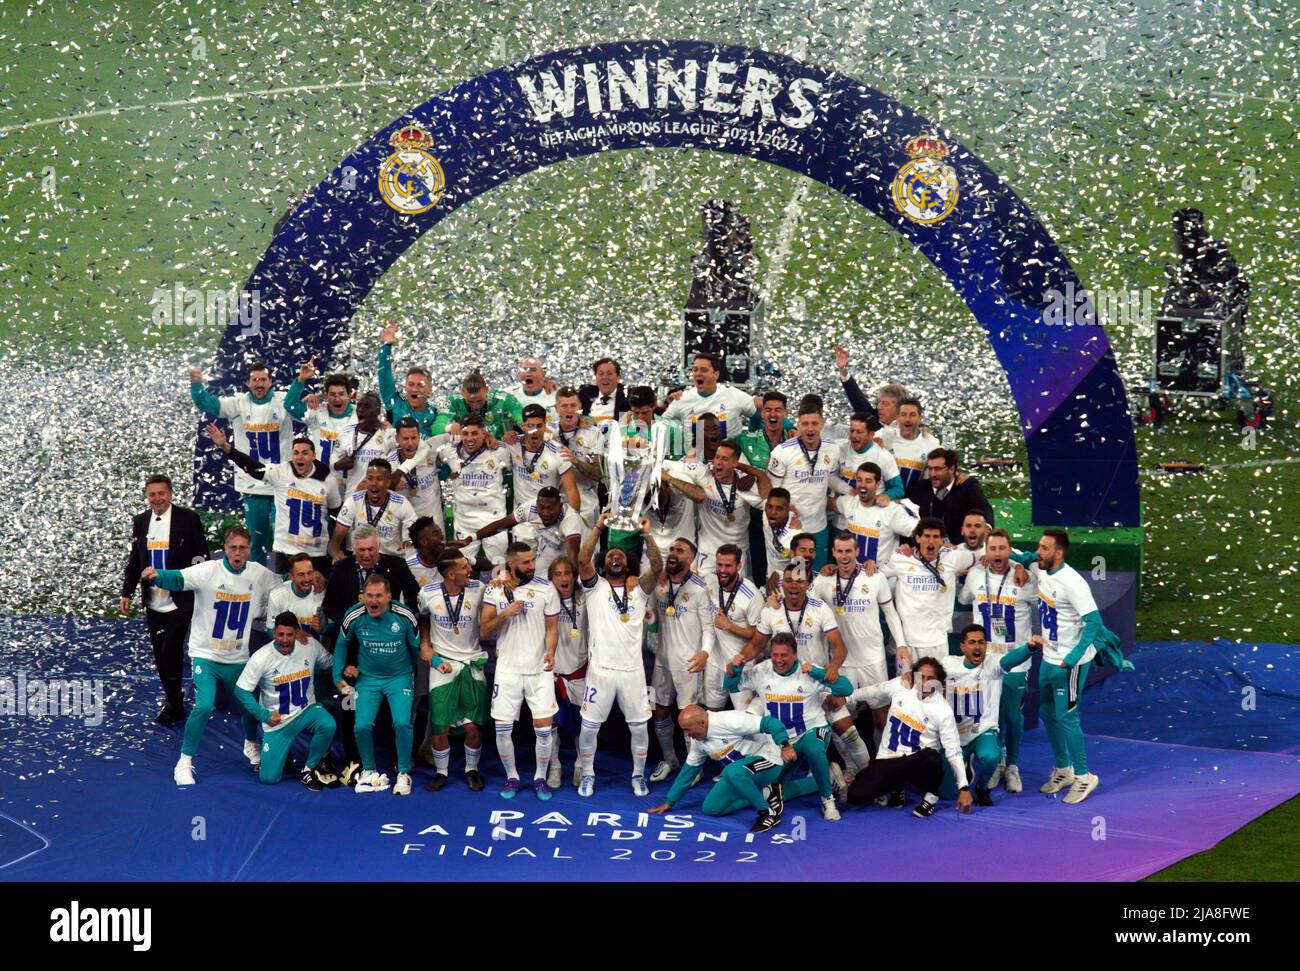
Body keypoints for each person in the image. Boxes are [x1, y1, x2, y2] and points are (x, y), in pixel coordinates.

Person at [142, 526, 282, 786]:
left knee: (250, 704)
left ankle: (250, 743)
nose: (237, 552)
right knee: (204, 705)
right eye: (233, 547)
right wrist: (156, 575)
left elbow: (282, 585)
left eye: (242, 548)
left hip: (238, 658)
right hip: (205, 655)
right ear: (225, 548)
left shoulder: (259, 574)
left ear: (249, 550)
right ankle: (184, 762)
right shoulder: (209, 570)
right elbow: (178, 578)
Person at [736, 562, 873, 785]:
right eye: (788, 581)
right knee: (751, 726)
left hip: (816, 683)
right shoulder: (771, 610)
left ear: (807, 583)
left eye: (799, 581)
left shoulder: (819, 608)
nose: (794, 586)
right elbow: (755, 646)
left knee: (848, 731)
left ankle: (868, 778)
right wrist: (739, 660)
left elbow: (840, 647)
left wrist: (831, 672)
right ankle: (752, 775)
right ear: (782, 584)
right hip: (781, 686)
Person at [1009, 529, 1115, 804]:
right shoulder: (1041, 568)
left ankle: (1084, 776)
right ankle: (1063, 768)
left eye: (1045, 548)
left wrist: (1074, 655)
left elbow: (1094, 623)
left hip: (1071, 662)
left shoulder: (1073, 583)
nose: (1039, 552)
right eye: (1039, 547)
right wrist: (1009, 553)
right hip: (1049, 656)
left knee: (1068, 716)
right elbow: (1021, 554)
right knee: (1046, 711)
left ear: (1059, 553)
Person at [575, 513, 661, 797]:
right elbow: (582, 560)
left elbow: (657, 567)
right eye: (610, 556)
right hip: (600, 671)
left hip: (632, 672)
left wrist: (647, 535)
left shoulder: (640, 590)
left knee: (639, 729)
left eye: (621, 557)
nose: (615, 559)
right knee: (589, 728)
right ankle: (587, 774)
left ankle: (638, 775)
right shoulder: (594, 588)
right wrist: (599, 527)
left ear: (629, 563)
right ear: (604, 562)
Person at [724, 632, 854, 820]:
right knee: (774, 790)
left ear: (794, 654)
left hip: (812, 730)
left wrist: (818, 673)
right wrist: (733, 670)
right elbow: (731, 686)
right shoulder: (762, 671)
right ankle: (825, 779)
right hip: (780, 741)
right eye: (775, 655)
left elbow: (846, 689)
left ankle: (828, 801)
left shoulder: (809, 671)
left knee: (814, 749)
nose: (778, 660)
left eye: (784, 655)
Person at [121, 474, 210, 724]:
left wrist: (195, 583)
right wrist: (126, 591)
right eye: (152, 494)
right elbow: (136, 560)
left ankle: (174, 702)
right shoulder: (140, 522)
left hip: (180, 599)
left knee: (171, 648)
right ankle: (173, 699)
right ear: (147, 496)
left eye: (161, 493)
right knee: (160, 652)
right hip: (153, 600)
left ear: (170, 493)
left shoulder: (188, 519)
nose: (157, 498)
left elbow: (201, 555)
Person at [189, 360, 299, 563]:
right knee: (256, 543)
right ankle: (258, 588)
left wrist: (302, 386)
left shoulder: (284, 401)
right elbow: (208, 404)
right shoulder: (237, 404)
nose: (259, 384)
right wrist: (196, 385)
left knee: (285, 543)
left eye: (263, 380)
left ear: (271, 382)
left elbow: (301, 410)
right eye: (255, 380)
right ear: (248, 383)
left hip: (281, 485)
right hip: (252, 486)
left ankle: (286, 588)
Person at [844, 657, 973, 816]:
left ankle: (931, 797)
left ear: (938, 681)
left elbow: (953, 750)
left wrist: (964, 787)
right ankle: (896, 787)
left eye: (930, 678)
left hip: (916, 764)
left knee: (933, 757)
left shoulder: (943, 710)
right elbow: (873, 690)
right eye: (921, 676)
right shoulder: (901, 686)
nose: (924, 682)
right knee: (855, 796)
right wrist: (845, 698)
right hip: (888, 759)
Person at [959, 528, 1037, 792]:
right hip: (984, 662)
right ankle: (995, 764)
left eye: (1003, 548)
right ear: (985, 551)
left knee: (1012, 717)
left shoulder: (1025, 580)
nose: (997, 553)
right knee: (985, 715)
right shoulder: (975, 575)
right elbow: (963, 599)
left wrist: (1021, 563)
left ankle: (1012, 765)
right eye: (992, 548)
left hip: (1015, 662)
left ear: (1010, 550)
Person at [479, 542, 559, 800]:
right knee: (502, 727)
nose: (532, 566)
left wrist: (551, 652)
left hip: (539, 669)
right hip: (508, 669)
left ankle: (539, 778)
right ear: (510, 563)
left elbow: (552, 628)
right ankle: (512, 777)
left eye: (533, 560)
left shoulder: (547, 588)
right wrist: (505, 614)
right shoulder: (496, 589)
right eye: (526, 562)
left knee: (544, 726)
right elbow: (484, 631)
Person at [811, 533, 908, 740]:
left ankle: (882, 764)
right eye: (840, 551)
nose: (844, 556)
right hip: (841, 661)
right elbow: (803, 604)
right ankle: (853, 767)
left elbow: (890, 613)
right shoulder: (823, 580)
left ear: (857, 552)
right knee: (842, 718)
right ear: (834, 553)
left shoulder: (875, 577)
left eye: (849, 551)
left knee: (881, 719)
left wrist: (900, 645)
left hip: (872, 658)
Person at [335, 574, 425, 795]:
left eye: (378, 596)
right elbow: (341, 645)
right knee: (361, 726)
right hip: (368, 680)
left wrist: (437, 664)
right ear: (363, 596)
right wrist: (338, 677)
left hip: (400, 678)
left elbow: (419, 647)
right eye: (369, 596)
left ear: (389, 597)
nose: (373, 601)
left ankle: (403, 773)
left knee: (402, 723)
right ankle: (368, 771)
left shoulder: (404, 615)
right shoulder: (353, 615)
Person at [207, 423, 339, 574]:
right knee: (284, 594)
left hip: (316, 553)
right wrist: (225, 446)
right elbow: (252, 467)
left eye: (305, 453)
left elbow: (336, 514)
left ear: (313, 456)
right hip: (286, 551)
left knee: (318, 595)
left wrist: (334, 546)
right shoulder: (281, 472)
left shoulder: (327, 480)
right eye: (296, 453)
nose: (299, 457)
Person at [646, 705, 797, 833]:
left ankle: (768, 813)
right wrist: (669, 802)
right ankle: (766, 792)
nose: (686, 735)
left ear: (702, 723)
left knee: (730, 771)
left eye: (687, 729)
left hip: (768, 759)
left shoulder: (728, 720)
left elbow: (769, 722)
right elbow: (689, 770)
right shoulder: (698, 741)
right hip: (741, 775)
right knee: (711, 808)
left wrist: (784, 744)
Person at [234, 612, 338, 789]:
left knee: (328, 725)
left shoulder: (309, 645)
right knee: (268, 778)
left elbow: (330, 663)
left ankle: (309, 769)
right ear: (274, 633)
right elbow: (241, 690)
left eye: (289, 634)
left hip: (306, 711)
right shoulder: (261, 657)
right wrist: (264, 715)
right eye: (281, 634)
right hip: (279, 722)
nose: (284, 640)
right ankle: (284, 752)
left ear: (296, 633)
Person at [938, 625, 1039, 805]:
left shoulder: (993, 664)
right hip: (954, 734)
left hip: (981, 731)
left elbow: (1011, 660)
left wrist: (1029, 648)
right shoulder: (948, 664)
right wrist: (909, 676)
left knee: (990, 756)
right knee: (946, 794)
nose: (977, 647)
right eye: (972, 642)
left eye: (981, 643)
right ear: (962, 647)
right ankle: (964, 765)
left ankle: (982, 787)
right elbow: (926, 674)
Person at [418, 549, 489, 792]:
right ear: (450, 574)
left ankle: (471, 769)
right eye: (464, 567)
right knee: (440, 724)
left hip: (472, 662)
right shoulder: (427, 594)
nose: (469, 570)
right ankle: (441, 772)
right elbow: (423, 620)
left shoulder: (479, 588)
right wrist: (426, 645)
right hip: (443, 664)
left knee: (473, 725)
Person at [647, 538, 714, 783]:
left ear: (691, 558)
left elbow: (709, 627)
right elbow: (651, 614)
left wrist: (705, 652)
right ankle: (669, 758)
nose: (673, 553)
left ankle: (693, 766)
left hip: (689, 664)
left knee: (690, 718)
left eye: (680, 550)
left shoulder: (699, 587)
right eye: (672, 550)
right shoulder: (659, 583)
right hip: (661, 662)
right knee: (659, 711)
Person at [881, 517, 983, 664]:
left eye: (936, 537)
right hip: (909, 643)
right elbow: (876, 574)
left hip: (938, 642)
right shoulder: (900, 559)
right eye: (927, 536)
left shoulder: (953, 557)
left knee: (935, 686)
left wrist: (1016, 565)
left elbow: (985, 555)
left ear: (942, 540)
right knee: (908, 686)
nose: (931, 541)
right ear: (917, 538)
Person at [665, 439, 764, 576]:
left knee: (734, 594)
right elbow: (669, 465)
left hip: (736, 552)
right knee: (704, 593)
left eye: (724, 459)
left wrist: (757, 475)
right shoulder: (703, 474)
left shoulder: (745, 485)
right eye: (717, 457)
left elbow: (769, 502)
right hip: (707, 552)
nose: (718, 462)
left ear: (735, 463)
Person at [765, 395, 840, 570]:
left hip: (819, 527)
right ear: (798, 425)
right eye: (805, 424)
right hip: (789, 529)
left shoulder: (833, 449)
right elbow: (771, 491)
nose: (810, 428)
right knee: (792, 580)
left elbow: (831, 481)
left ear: (822, 425)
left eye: (815, 424)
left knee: (815, 579)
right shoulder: (782, 452)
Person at [433, 414, 512, 567]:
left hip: (494, 522)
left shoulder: (500, 450)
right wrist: (449, 428)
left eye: (475, 433)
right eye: (465, 433)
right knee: (460, 569)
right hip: (464, 522)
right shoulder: (449, 451)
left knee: (500, 569)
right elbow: (432, 435)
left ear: (484, 433)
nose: (470, 438)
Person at [543, 555, 589, 790]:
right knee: (551, 724)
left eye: (567, 573)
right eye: (558, 574)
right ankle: (555, 766)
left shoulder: (586, 599)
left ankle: (581, 764)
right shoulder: (544, 600)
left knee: (583, 724)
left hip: (580, 673)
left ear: (574, 576)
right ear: (551, 579)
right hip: (552, 673)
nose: (563, 578)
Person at [701, 544, 764, 712]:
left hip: (740, 665)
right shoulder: (710, 580)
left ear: (739, 566)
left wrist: (730, 626)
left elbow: (760, 636)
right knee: (712, 713)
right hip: (714, 662)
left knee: (745, 720)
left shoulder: (752, 595)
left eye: (728, 566)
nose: (722, 570)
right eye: (719, 564)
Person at [660, 352, 758, 453]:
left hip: (729, 462)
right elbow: (660, 425)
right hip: (694, 463)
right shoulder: (682, 399)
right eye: (695, 370)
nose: (698, 373)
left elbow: (758, 417)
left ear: (716, 375)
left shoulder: (734, 394)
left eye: (704, 370)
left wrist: (751, 444)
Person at [476, 486, 583, 575]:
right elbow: (502, 524)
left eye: (550, 508)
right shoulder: (529, 508)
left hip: (578, 552)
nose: (545, 513)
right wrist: (473, 537)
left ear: (560, 506)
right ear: (536, 504)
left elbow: (573, 557)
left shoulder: (571, 520)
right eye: (541, 507)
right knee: (537, 578)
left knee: (569, 579)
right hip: (552, 547)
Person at [329, 457, 417, 560]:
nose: (374, 483)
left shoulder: (401, 503)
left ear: (388, 483)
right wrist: (336, 555)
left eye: (379, 479)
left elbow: (414, 537)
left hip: (391, 561)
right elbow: (335, 541)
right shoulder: (353, 501)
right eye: (370, 478)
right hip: (362, 560)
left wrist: (408, 545)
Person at [832, 463, 917, 568]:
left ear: (877, 484)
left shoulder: (892, 510)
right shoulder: (850, 502)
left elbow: (921, 532)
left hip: (883, 577)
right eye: (859, 480)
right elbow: (830, 503)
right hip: (854, 577)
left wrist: (912, 553)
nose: (862, 485)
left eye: (868, 481)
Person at [831, 412, 903, 533]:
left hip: (868, 524)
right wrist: (847, 490)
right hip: (840, 522)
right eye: (852, 431)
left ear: (871, 435)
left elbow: (898, 488)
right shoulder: (839, 448)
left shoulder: (883, 456)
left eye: (859, 432)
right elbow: (828, 476)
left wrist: (886, 496)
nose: (853, 436)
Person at [905, 448, 994, 544]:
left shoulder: (967, 487)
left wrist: (987, 529)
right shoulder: (918, 489)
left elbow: (984, 509)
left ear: (952, 469)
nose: (932, 474)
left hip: (957, 549)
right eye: (930, 469)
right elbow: (905, 518)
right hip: (925, 549)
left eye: (938, 469)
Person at [551, 386, 606, 532]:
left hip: (586, 509)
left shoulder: (593, 433)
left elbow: (599, 474)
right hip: (554, 508)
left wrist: (575, 461)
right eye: (564, 406)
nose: (569, 410)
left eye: (573, 405)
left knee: (587, 554)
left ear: (580, 407)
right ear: (556, 408)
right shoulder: (548, 434)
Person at [508, 404, 580, 514]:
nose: (535, 431)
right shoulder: (513, 444)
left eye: (539, 425)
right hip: (521, 521)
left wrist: (574, 520)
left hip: (549, 520)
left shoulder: (559, 452)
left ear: (545, 426)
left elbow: (571, 490)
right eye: (530, 426)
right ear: (523, 426)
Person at [377, 319, 439, 436]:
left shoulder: (436, 416)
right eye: (410, 384)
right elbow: (384, 375)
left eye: (420, 385)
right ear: (405, 387)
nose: (414, 389)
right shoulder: (395, 405)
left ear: (430, 389)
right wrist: (385, 346)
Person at [290, 370, 354, 477]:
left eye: (341, 394)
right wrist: (301, 380)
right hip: (320, 483)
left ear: (350, 395)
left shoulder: (360, 415)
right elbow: (290, 406)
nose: (337, 399)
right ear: (326, 396)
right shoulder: (316, 411)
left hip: (349, 485)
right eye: (332, 394)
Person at [332, 391, 396, 498]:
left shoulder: (388, 433)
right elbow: (334, 456)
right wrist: (337, 465)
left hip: (380, 498)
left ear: (377, 410)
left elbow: (397, 461)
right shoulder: (346, 432)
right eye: (359, 406)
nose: (361, 410)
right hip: (352, 497)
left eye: (366, 406)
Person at [389, 417, 450, 524]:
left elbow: (460, 437)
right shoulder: (390, 462)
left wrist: (487, 435)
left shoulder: (431, 450)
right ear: (397, 439)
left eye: (414, 438)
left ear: (419, 437)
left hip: (434, 520)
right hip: (406, 522)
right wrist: (391, 487)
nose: (410, 443)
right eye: (405, 438)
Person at [431, 369, 522, 440]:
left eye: (479, 401)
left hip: (498, 449)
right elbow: (436, 428)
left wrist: (525, 426)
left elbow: (520, 416)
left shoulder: (503, 399)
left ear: (487, 390)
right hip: (467, 449)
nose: (476, 406)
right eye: (470, 401)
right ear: (462, 392)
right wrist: (451, 427)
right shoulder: (452, 401)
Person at [880, 397, 941, 492]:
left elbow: (941, 473)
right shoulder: (883, 436)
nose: (907, 419)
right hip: (882, 498)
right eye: (903, 415)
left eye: (912, 415)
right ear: (897, 417)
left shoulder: (931, 444)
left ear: (920, 418)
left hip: (913, 501)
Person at [264, 553, 327, 644]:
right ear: (291, 577)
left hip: (316, 653)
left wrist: (322, 629)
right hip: (287, 653)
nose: (307, 579)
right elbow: (271, 629)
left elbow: (333, 630)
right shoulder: (277, 596)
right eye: (301, 574)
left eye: (309, 573)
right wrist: (291, 635)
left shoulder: (322, 592)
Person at [760, 488, 801, 591]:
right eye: (770, 507)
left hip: (787, 585)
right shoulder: (766, 515)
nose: (773, 512)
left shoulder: (795, 535)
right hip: (769, 579)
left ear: (788, 510)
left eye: (779, 509)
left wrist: (778, 573)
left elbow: (800, 570)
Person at [578, 357, 628, 425]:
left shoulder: (627, 398)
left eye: (609, 373)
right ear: (596, 377)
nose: (605, 377)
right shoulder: (585, 394)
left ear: (618, 377)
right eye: (601, 374)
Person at [405, 516, 447, 590]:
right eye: (436, 534)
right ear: (424, 542)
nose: (442, 536)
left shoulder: (451, 560)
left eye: (441, 532)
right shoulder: (409, 569)